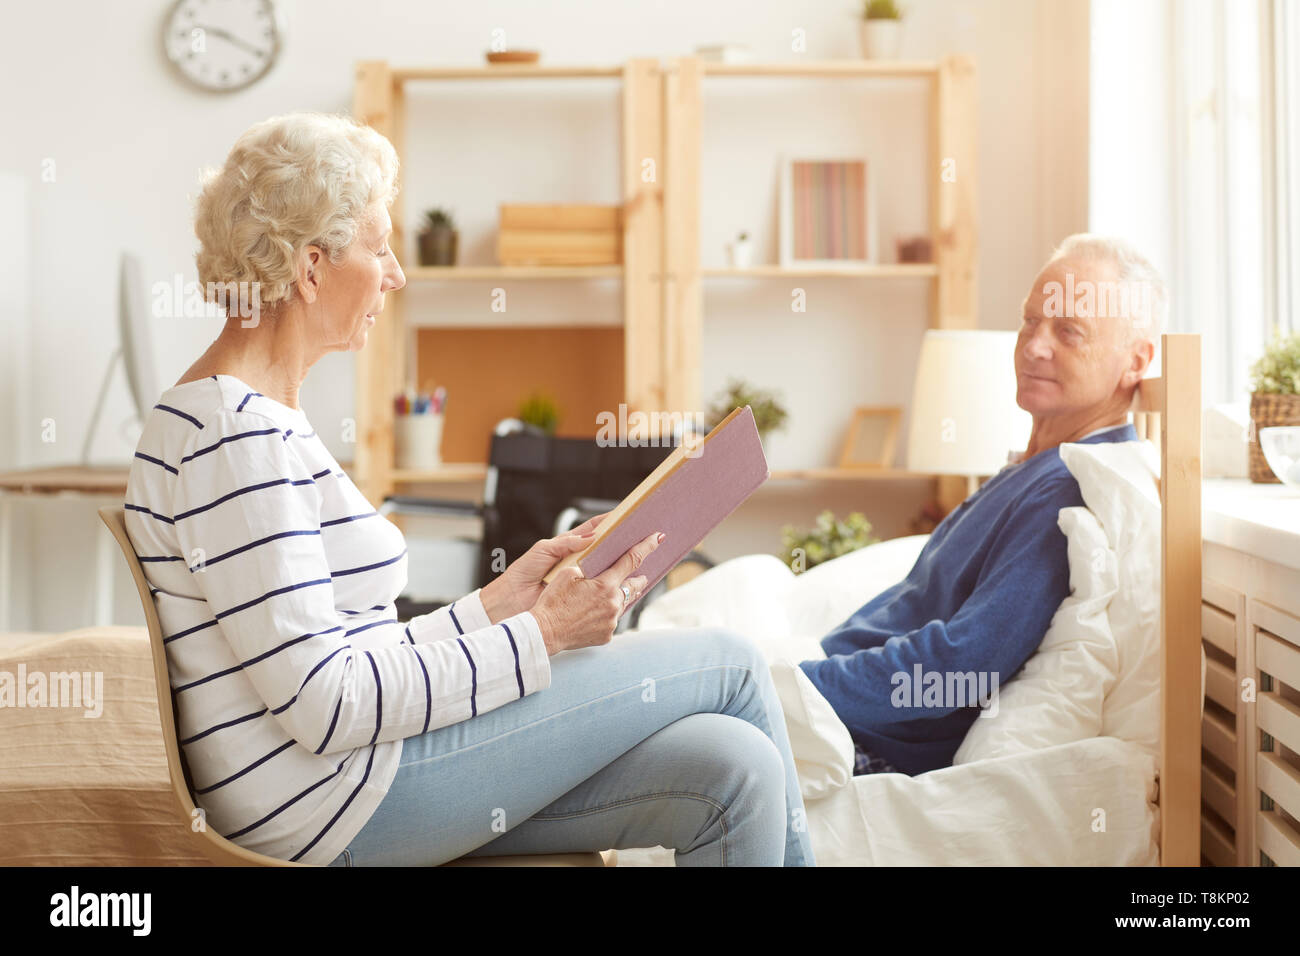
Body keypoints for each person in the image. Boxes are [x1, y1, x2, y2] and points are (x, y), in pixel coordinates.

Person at [124, 111, 814, 867]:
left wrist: (497, 607)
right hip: (337, 800)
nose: (396, 273)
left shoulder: (245, 416)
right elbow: (327, 704)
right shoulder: (235, 435)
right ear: (310, 268)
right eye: (379, 248)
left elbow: (349, 650)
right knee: (732, 664)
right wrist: (544, 634)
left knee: (732, 768)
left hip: (350, 780)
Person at [799, 234, 1166, 777]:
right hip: (830, 696)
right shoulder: (1036, 465)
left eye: (1069, 330)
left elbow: (963, 661)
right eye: (1030, 321)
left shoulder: (1074, 487)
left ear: (1136, 361)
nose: (1034, 346)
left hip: (863, 739)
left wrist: (792, 687)